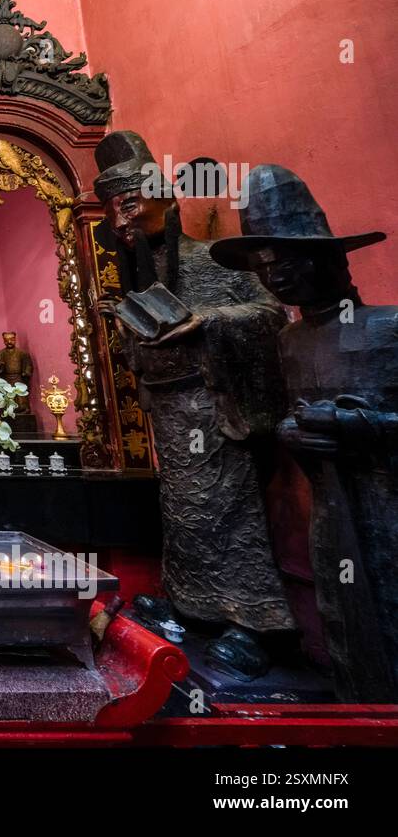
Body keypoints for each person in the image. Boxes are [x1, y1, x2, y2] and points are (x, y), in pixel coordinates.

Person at [93, 131, 294, 677]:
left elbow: (271, 313)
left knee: (228, 507)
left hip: (213, 401)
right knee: (182, 512)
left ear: (163, 197)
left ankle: (253, 620)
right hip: (168, 407)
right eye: (112, 209)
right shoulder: (138, 270)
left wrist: (205, 321)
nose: (121, 218)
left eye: (129, 203)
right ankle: (190, 604)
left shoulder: (215, 260)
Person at [211, 165, 397, 701]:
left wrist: (357, 425)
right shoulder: (290, 341)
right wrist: (298, 434)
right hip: (333, 504)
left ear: (333, 257)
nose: (280, 277)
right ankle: (358, 711)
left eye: (292, 261)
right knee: (345, 613)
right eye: (267, 267)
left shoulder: (389, 328)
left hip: (385, 498)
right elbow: (290, 417)